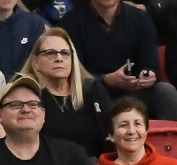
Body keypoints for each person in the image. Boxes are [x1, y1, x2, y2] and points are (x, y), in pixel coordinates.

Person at [60, 0, 177, 127]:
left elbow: (151, 65)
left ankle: (170, 146)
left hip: (133, 93)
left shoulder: (140, 19)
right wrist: (106, 80)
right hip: (93, 94)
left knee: (166, 91)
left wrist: (147, 75)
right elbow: (73, 76)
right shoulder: (70, 24)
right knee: (90, 96)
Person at [19, 28, 111, 157]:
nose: (59, 58)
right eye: (50, 53)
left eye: (65, 53)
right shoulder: (27, 96)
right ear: (36, 62)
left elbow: (112, 131)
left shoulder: (93, 90)